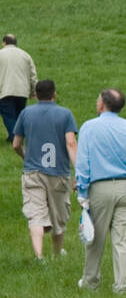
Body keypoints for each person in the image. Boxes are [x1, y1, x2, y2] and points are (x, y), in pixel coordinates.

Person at [75, 88, 126, 294]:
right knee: (123, 239)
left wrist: (82, 190)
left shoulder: (89, 127)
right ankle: (121, 286)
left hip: (99, 187)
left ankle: (90, 282)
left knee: (95, 238)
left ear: (102, 104)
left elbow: (82, 162)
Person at [12, 79, 77, 260]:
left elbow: (16, 144)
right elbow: (71, 143)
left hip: (33, 172)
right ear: (54, 94)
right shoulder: (65, 114)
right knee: (58, 215)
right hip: (59, 173)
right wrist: (79, 172)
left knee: (35, 213)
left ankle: (39, 255)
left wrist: (26, 156)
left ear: (35, 95)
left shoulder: (26, 113)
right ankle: (57, 253)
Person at [0, 33, 38, 141]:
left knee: (9, 116)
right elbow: (33, 74)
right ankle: (17, 136)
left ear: (4, 42)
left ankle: (14, 138)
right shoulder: (25, 55)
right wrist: (34, 90)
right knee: (18, 115)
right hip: (22, 91)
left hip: (5, 91)